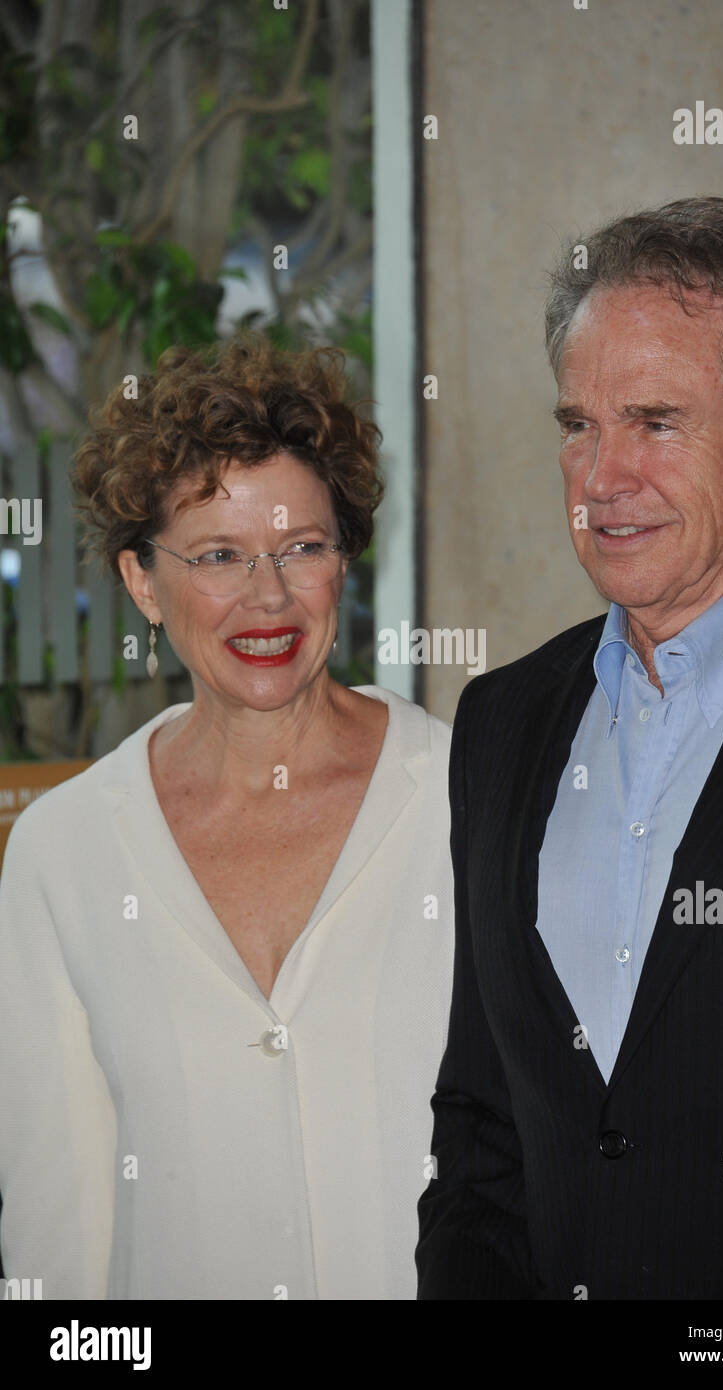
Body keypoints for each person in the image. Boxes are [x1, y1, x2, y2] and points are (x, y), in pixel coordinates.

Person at [416, 196, 723, 1300]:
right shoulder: (504, 721)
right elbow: (484, 1123)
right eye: (578, 424)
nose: (600, 477)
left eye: (655, 422)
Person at [0, 334, 453, 1300]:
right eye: (219, 555)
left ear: (346, 562)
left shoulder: (468, 797)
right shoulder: (63, 850)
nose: (269, 596)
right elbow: (58, 1227)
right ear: (140, 583)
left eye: (303, 547)